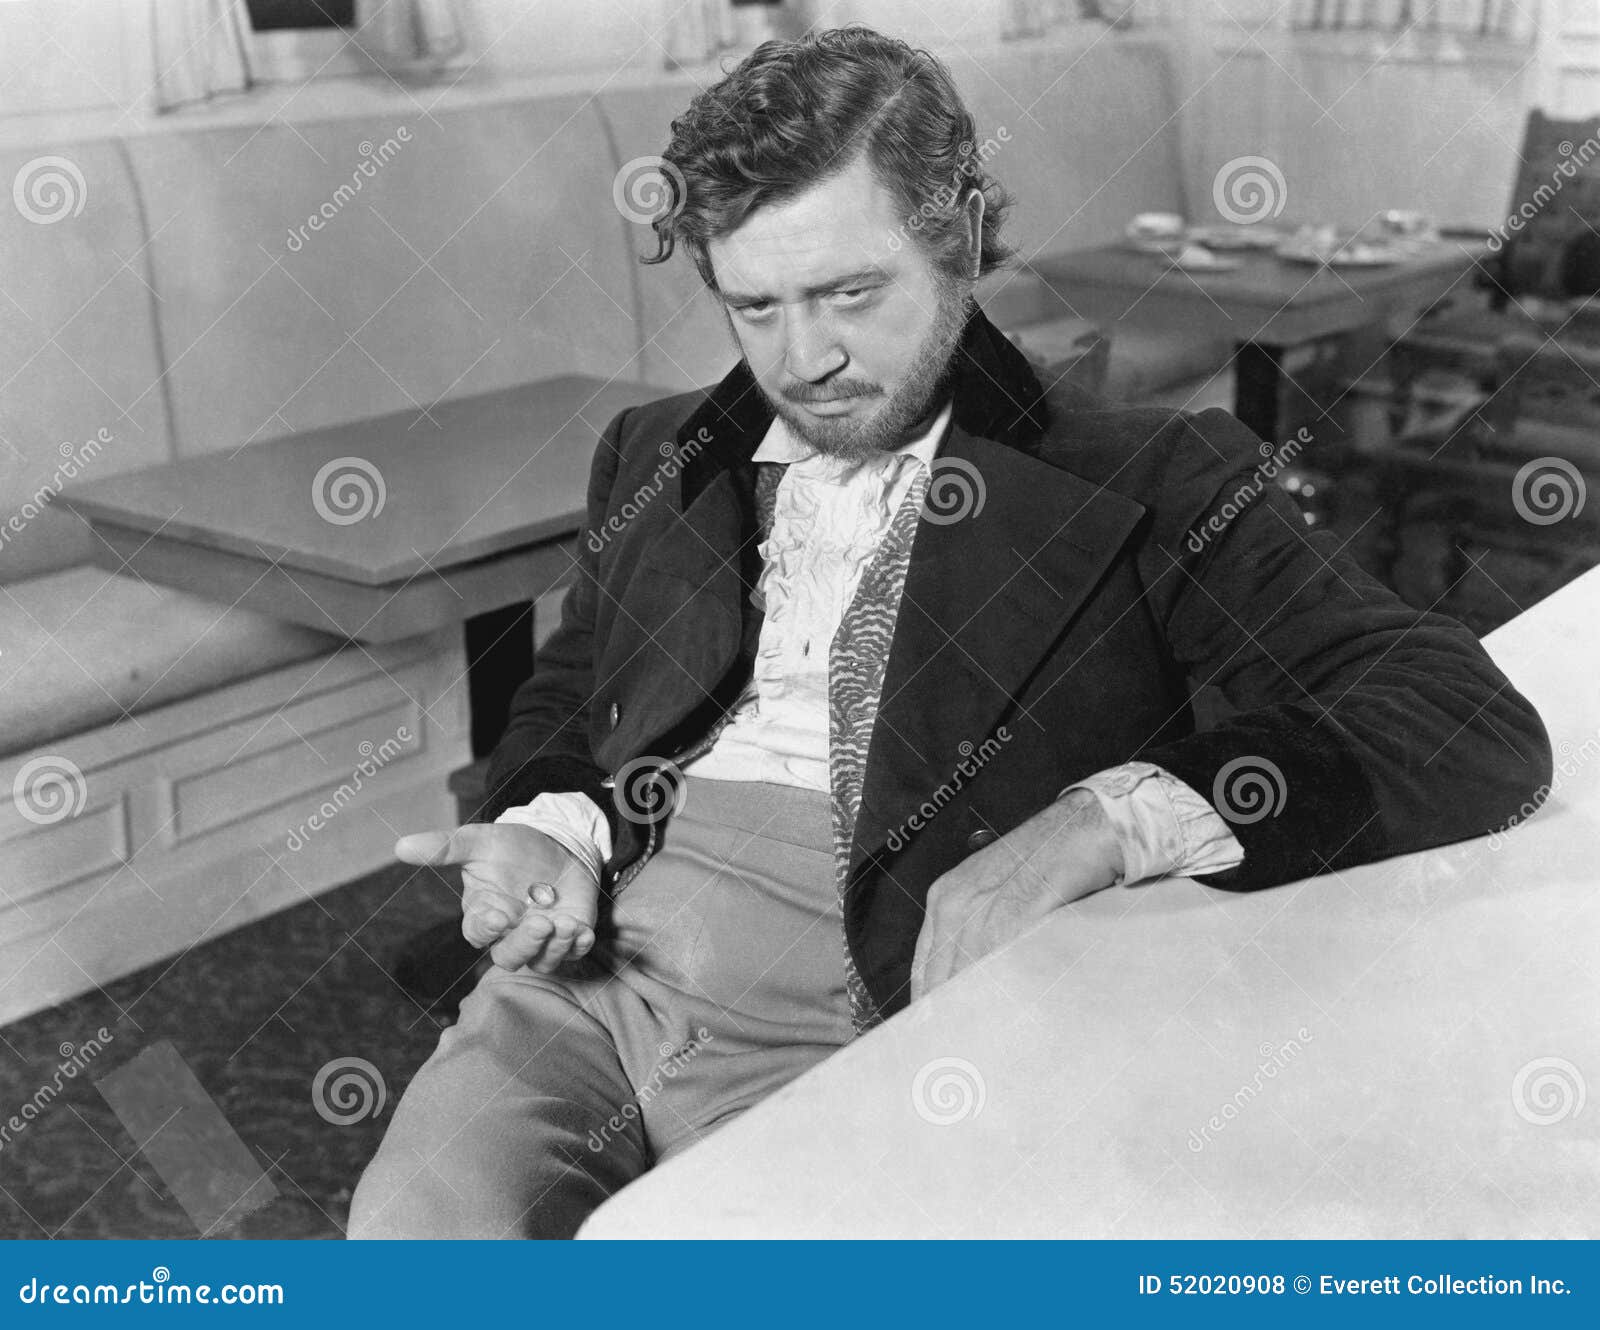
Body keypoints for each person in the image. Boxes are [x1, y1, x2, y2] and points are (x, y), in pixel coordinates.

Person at [348, 26, 1551, 1239]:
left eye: (848, 294)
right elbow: (572, 691)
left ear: (958, 238)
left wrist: (1100, 821)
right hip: (583, 976)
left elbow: (1458, 721)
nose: (802, 358)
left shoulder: (1155, 478)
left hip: (872, 997)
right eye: (753, 306)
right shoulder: (660, 454)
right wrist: (549, 820)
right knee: (412, 1247)